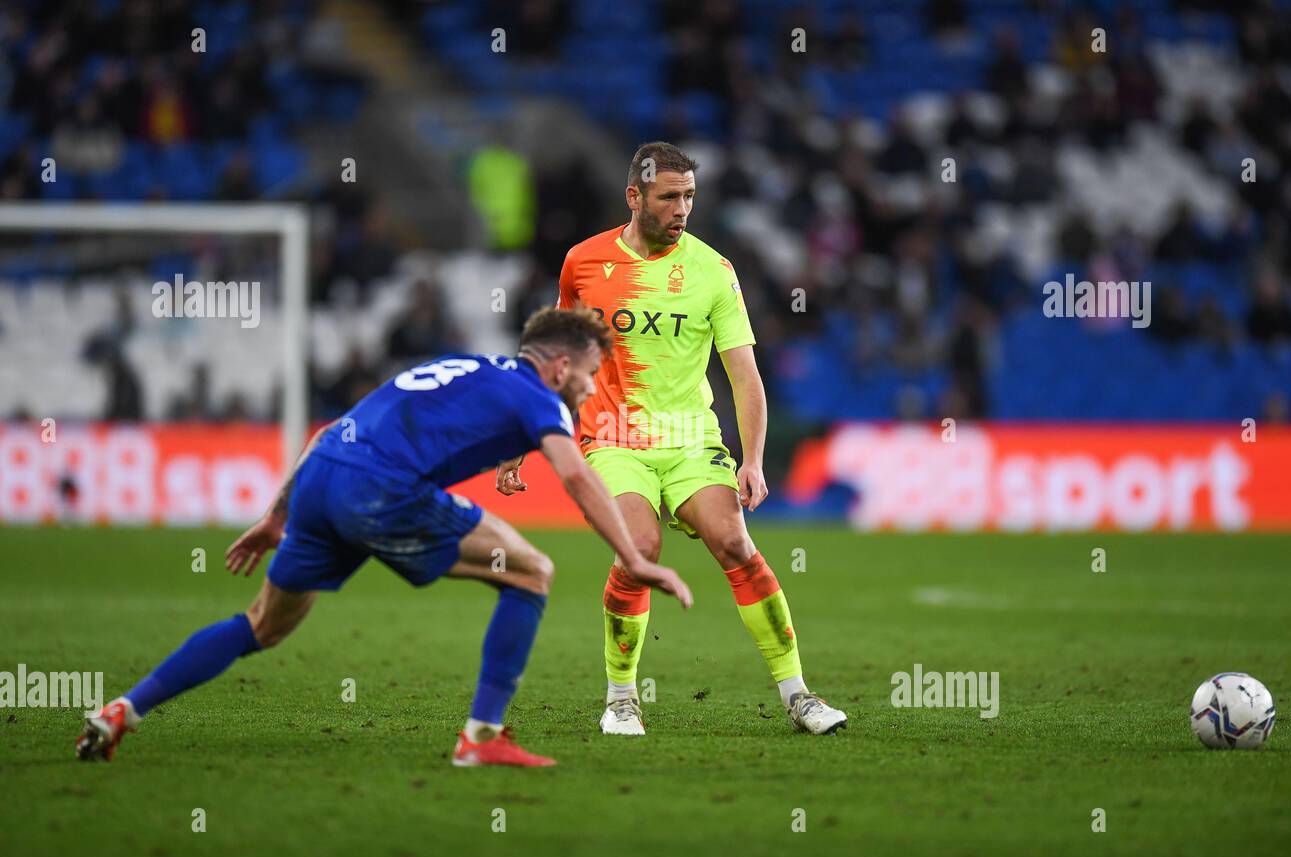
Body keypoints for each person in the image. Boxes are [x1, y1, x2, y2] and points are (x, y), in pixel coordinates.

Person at [76, 307, 693, 768]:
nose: (589, 387)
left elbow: (328, 433)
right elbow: (576, 475)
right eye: (588, 374)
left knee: (262, 625)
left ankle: (122, 711)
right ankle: (481, 738)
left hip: (321, 479)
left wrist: (277, 514)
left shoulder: (465, 369)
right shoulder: (540, 396)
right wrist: (635, 558)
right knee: (532, 571)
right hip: (379, 491)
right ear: (560, 365)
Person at [497, 142, 846, 737]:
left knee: (734, 542)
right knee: (640, 546)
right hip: (612, 436)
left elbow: (744, 375)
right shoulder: (583, 263)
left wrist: (754, 460)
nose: (682, 207)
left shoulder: (714, 270)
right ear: (634, 196)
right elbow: (558, 356)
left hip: (690, 438)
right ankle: (622, 699)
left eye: (689, 196)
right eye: (669, 197)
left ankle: (798, 695)